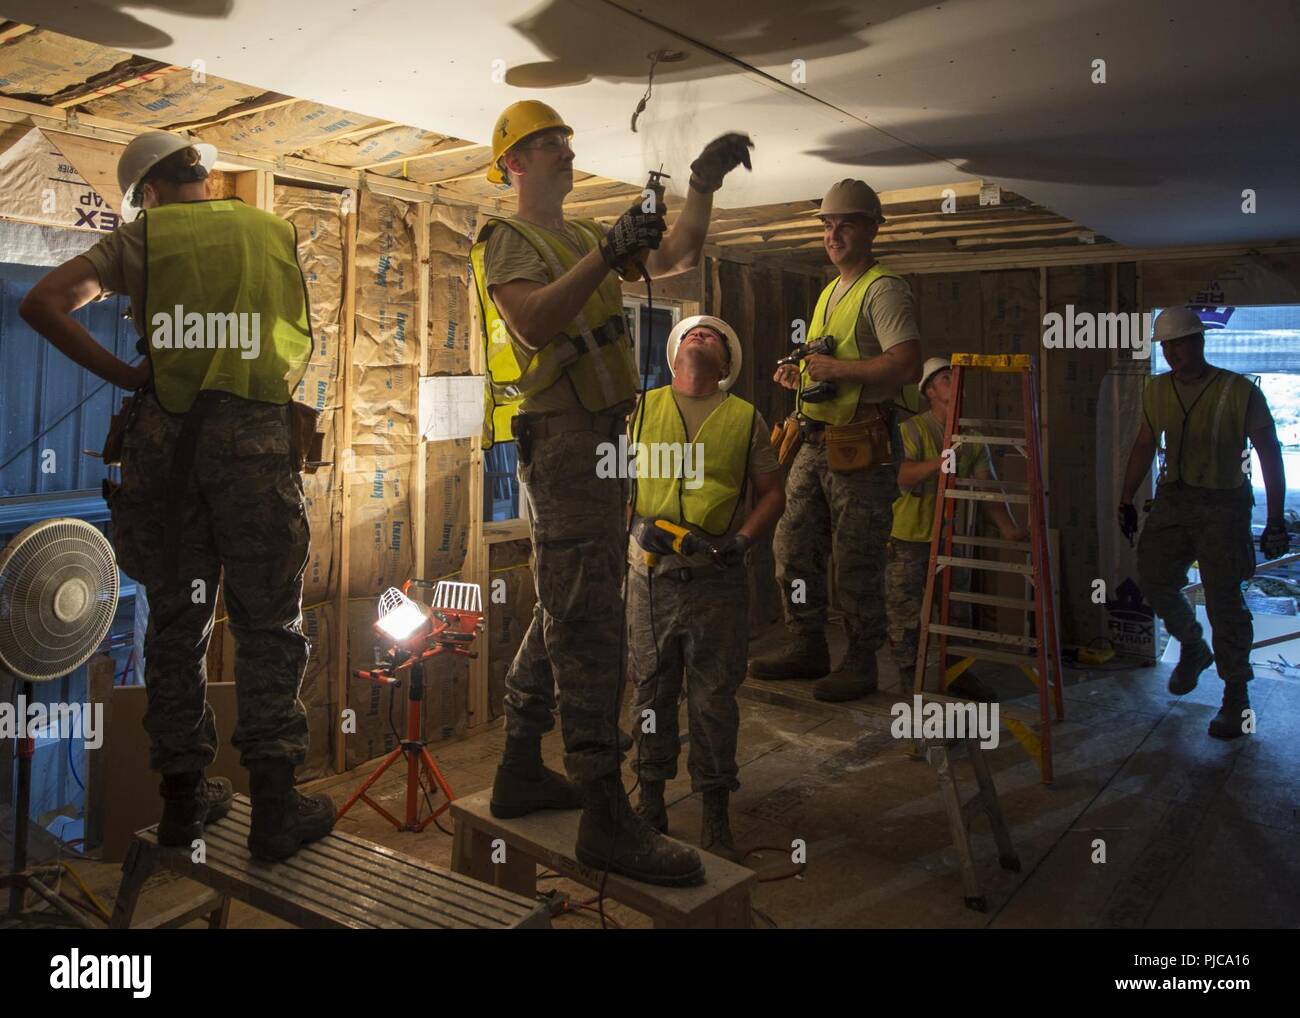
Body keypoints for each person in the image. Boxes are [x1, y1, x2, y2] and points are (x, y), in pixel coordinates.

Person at [19, 131, 334, 859]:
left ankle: (184, 805)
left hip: (168, 454)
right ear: (202, 177)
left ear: (147, 192)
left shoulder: (143, 237)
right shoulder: (270, 230)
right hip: (256, 448)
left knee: (175, 621)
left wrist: (127, 376)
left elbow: (43, 303)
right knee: (268, 625)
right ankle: (275, 810)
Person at [473, 100, 753, 885]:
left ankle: (522, 765)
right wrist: (604, 253)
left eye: (567, 139)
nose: (566, 150)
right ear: (514, 164)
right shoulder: (510, 239)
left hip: (598, 445)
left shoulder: (572, 237)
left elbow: (680, 253)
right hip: (562, 445)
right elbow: (530, 322)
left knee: (564, 603)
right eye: (547, 143)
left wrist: (699, 185)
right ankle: (604, 812)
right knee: (591, 621)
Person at [749, 179, 923, 702]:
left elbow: (906, 360)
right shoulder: (830, 290)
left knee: (856, 558)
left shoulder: (884, 289)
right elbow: (826, 362)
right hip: (816, 439)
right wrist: (800, 373)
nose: (834, 233)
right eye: (827, 224)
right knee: (793, 545)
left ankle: (861, 659)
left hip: (862, 445)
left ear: (871, 228)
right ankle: (807, 643)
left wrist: (838, 368)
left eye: (846, 223)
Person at [626, 316, 785, 861]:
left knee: (714, 697)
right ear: (674, 357)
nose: (700, 335)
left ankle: (716, 810)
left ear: (726, 365)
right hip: (650, 578)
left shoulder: (745, 418)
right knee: (651, 690)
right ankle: (650, 800)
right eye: (691, 333)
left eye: (713, 336)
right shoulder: (641, 409)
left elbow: (772, 492)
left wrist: (744, 539)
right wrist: (631, 524)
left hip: (718, 577)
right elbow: (613, 481)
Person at [1119, 307, 1289, 739]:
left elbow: (1269, 450)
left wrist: (1273, 520)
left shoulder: (1238, 390)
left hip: (1224, 503)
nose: (1173, 351)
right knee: (1154, 579)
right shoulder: (1156, 389)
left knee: (1224, 601)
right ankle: (1193, 648)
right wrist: (1125, 499)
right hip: (1174, 498)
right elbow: (1144, 443)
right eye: (1166, 345)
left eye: (1180, 342)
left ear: (1200, 341)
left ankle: (1236, 696)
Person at [886, 358, 1027, 702]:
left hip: (950, 540)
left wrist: (1009, 529)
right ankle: (910, 682)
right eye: (948, 379)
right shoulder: (912, 430)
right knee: (905, 616)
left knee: (957, 612)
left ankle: (958, 675)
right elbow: (902, 476)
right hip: (908, 541)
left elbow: (988, 488)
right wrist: (944, 459)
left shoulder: (972, 437)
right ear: (930, 391)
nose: (956, 383)